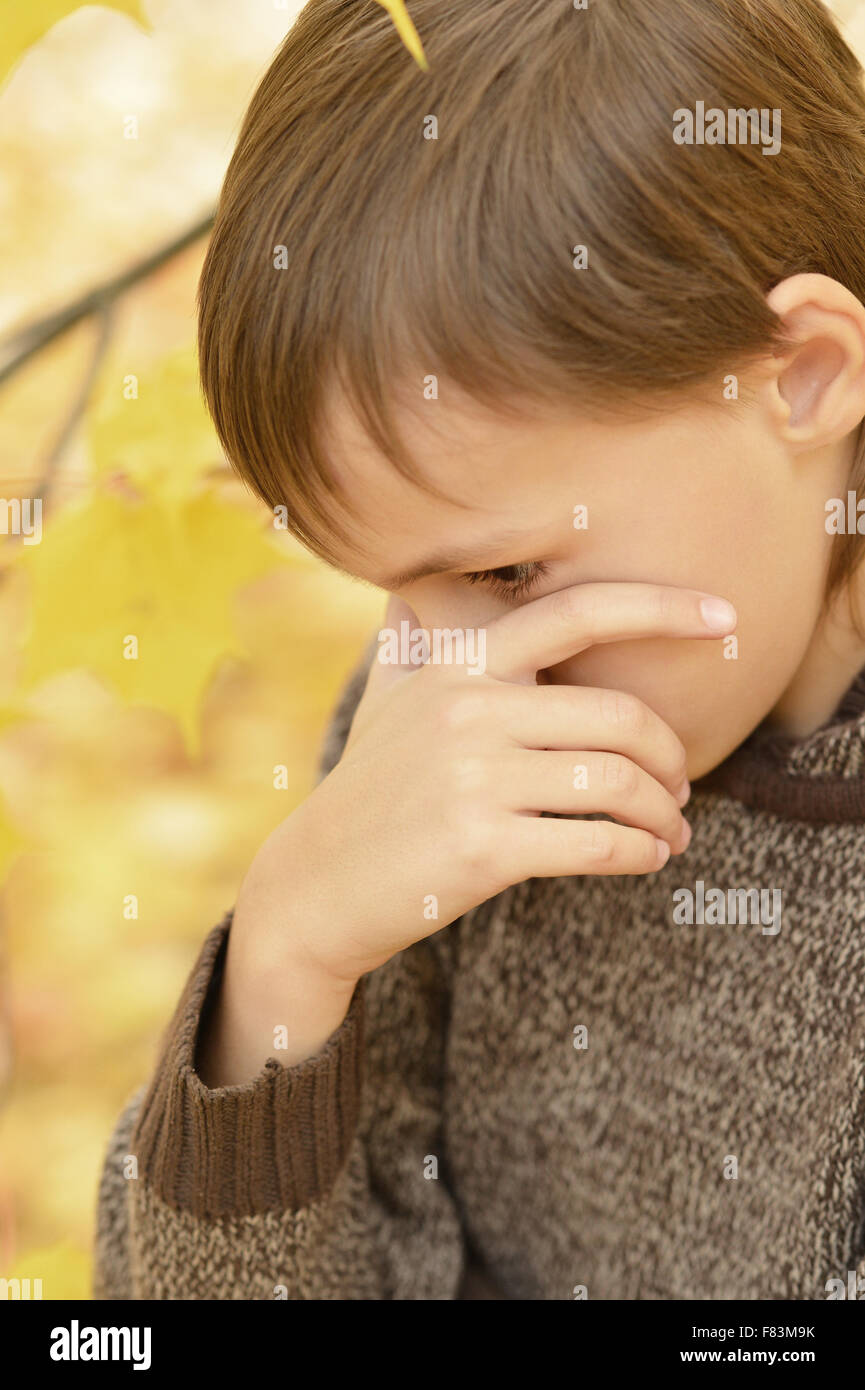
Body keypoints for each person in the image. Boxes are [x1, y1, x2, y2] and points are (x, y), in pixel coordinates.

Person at [94, 0, 865, 1298]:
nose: (436, 665)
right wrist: (289, 957)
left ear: (795, 374)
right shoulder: (454, 716)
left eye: (507, 571)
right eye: (391, 591)